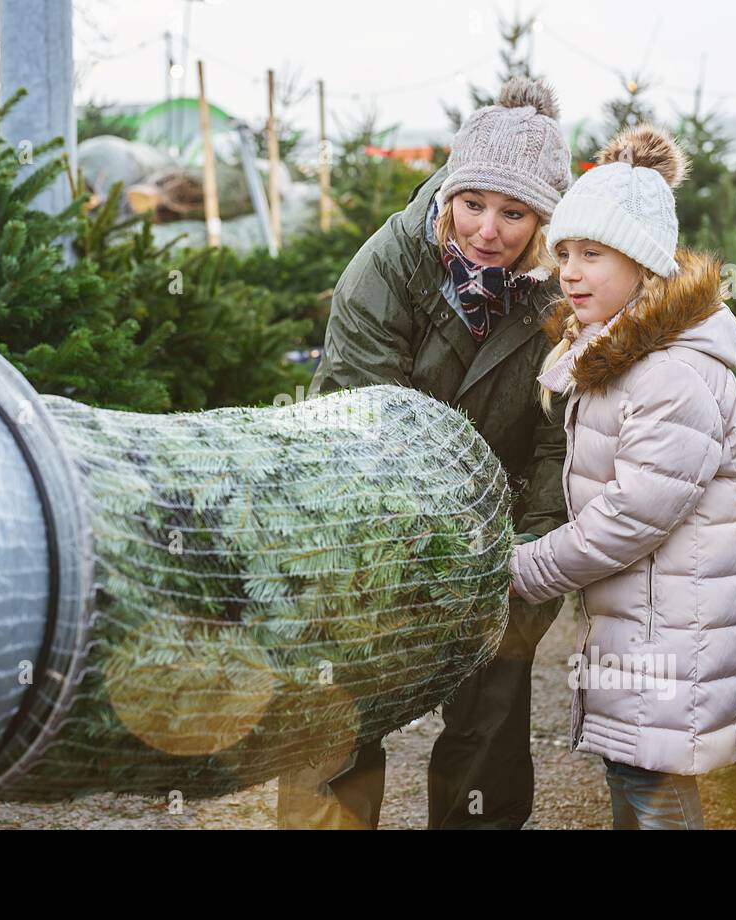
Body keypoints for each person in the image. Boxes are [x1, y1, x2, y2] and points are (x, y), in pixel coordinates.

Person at [276, 75, 574, 829]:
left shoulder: (561, 294)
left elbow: (557, 438)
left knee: (490, 719)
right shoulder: (387, 269)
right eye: (473, 203)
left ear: (543, 219)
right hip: (368, 515)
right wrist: (410, 567)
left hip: (495, 533)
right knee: (336, 710)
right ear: (449, 193)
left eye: (514, 213)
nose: (487, 229)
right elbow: (369, 428)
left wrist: (531, 559)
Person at [509, 123, 736, 830]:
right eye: (563, 253)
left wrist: (525, 568)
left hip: (672, 629)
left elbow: (632, 515)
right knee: (633, 777)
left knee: (654, 792)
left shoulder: (671, 374)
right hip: (648, 623)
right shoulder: (622, 356)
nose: (569, 271)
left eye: (592, 254)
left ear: (644, 263)